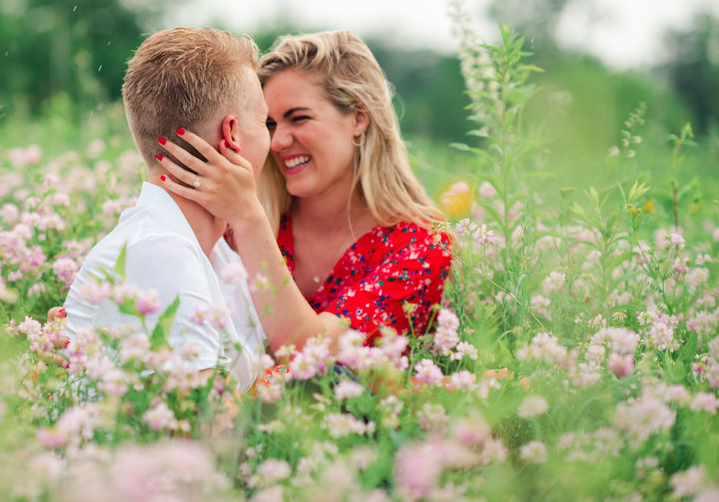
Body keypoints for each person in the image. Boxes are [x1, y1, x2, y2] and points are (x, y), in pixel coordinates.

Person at [156, 30, 451, 351]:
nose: (278, 141)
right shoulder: (240, 225)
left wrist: (246, 215)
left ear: (358, 118)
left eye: (299, 118)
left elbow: (311, 355)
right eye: (269, 124)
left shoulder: (420, 246)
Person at [62, 27, 270, 393]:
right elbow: (206, 427)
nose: (274, 138)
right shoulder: (160, 252)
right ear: (232, 134)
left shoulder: (212, 251)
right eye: (265, 121)